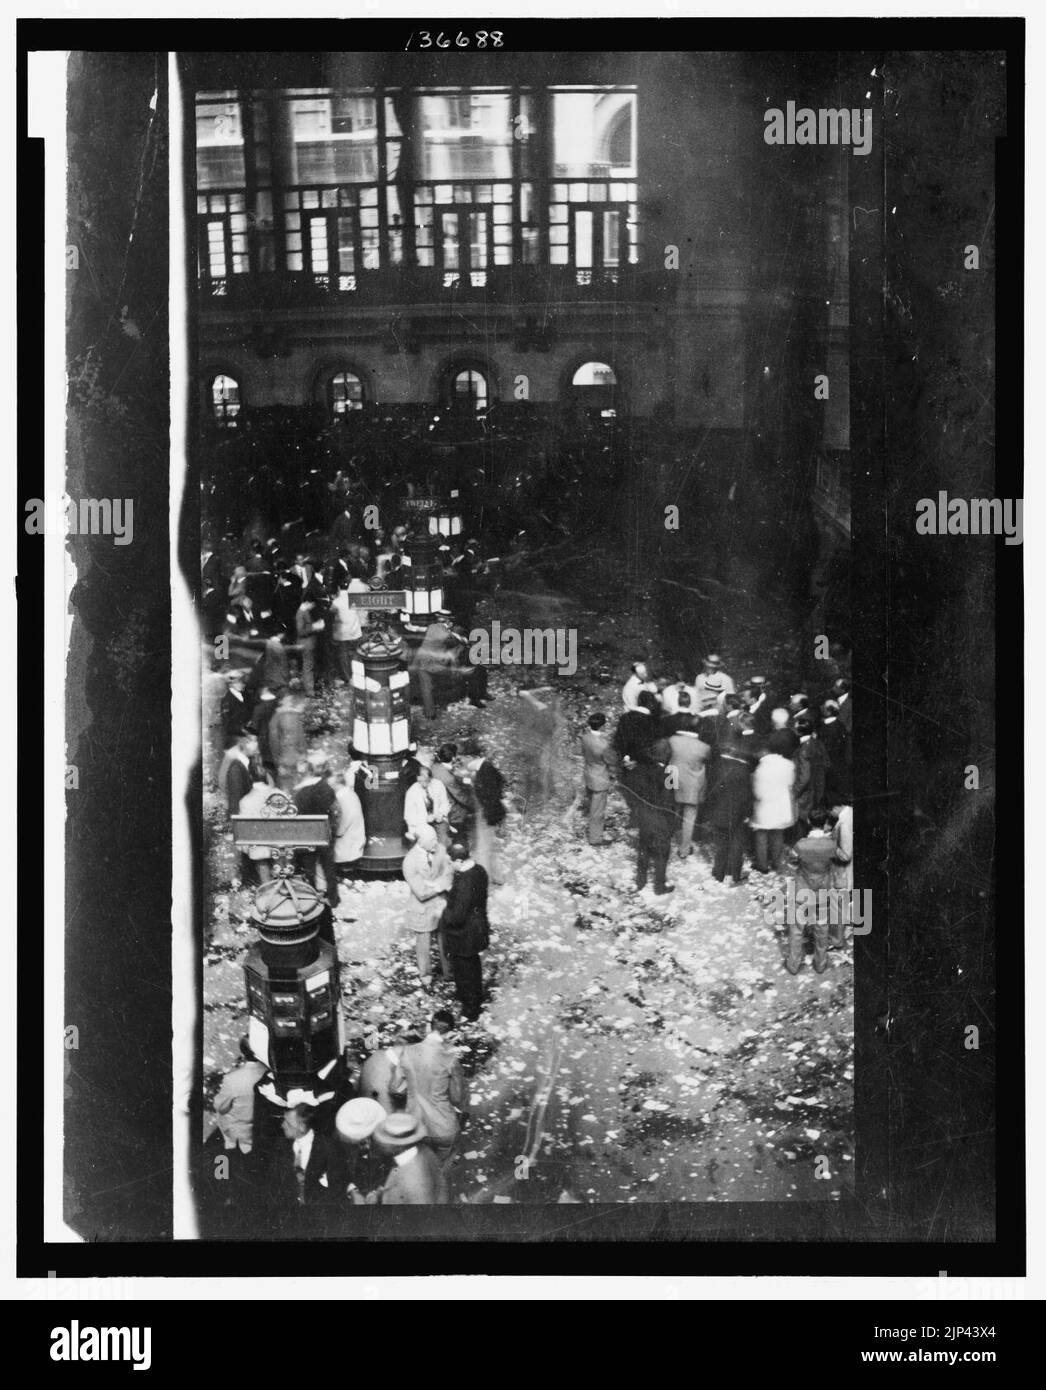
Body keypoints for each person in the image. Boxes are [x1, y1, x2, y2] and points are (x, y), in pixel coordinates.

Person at [391, 1010, 467, 1166]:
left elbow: (395, 1088)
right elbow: (457, 1099)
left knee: (418, 1170)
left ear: (430, 1026)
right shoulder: (451, 1061)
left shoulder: (407, 1052)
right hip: (443, 1129)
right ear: (449, 1034)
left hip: (415, 1126)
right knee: (437, 1171)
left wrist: (414, 1087)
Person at [439, 841, 490, 1022]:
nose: (449, 865)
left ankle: (470, 1010)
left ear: (459, 861)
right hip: (477, 930)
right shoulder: (479, 871)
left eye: (450, 862)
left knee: (465, 970)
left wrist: (443, 912)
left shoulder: (464, 882)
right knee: (473, 966)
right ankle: (470, 997)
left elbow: (457, 916)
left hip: (464, 935)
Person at [353, 1112, 449, 1205]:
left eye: (384, 1139)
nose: (379, 1141)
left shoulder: (413, 1185)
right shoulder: (424, 1150)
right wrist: (381, 1193)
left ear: (398, 1145)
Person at [267, 1103, 349, 1210]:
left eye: (288, 1123)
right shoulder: (280, 1145)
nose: (282, 1125)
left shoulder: (329, 1148)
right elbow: (273, 1186)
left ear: (302, 1127)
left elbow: (336, 1191)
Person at [785, 807, 837, 975]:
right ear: (826, 824)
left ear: (808, 822)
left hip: (802, 889)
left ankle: (793, 965)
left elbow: (792, 859)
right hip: (823, 890)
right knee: (822, 928)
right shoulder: (831, 845)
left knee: (796, 928)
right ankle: (820, 964)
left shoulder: (801, 845)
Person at [402, 824, 453, 983]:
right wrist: (440, 886)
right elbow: (421, 893)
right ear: (420, 842)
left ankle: (449, 973)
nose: (436, 842)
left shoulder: (440, 849)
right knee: (423, 947)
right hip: (422, 909)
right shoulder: (409, 861)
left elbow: (449, 872)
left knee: (446, 942)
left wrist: (440, 883)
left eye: (435, 838)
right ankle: (426, 976)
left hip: (441, 906)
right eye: (432, 840)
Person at [632, 737, 677, 894]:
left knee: (643, 848)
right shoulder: (671, 772)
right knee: (662, 852)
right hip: (661, 818)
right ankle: (659, 885)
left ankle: (640, 881)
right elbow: (670, 798)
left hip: (645, 815)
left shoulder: (642, 768)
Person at [707, 733, 753, 884]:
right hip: (737, 814)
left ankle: (718, 874)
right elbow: (748, 796)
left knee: (721, 845)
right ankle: (734, 875)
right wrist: (748, 814)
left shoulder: (717, 767)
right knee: (736, 844)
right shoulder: (744, 770)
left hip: (718, 813)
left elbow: (711, 791)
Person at [293, 753, 338, 901]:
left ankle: (310, 897)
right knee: (328, 867)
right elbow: (335, 811)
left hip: (307, 836)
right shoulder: (326, 788)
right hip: (325, 833)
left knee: (309, 868)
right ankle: (333, 897)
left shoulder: (299, 793)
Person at [750, 731, 797, 873]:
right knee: (778, 835)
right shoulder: (788, 764)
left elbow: (757, 792)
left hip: (764, 806)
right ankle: (777, 862)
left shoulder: (760, 769)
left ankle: (762, 865)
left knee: (761, 835)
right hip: (782, 806)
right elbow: (790, 783)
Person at [212, 1037, 268, 1157]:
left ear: (243, 1052)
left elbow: (220, 1107)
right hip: (263, 1130)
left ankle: (223, 1167)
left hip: (240, 1135)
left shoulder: (232, 1078)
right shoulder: (269, 1072)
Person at [667, 708, 711, 859]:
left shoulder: (672, 740)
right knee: (689, 816)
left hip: (672, 778)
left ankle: (666, 839)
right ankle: (684, 849)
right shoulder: (704, 748)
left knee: (671, 810)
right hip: (693, 783)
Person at [612, 690, 661, 823]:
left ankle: (633, 820)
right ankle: (643, 822)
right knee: (645, 794)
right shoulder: (651, 721)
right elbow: (649, 746)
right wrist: (637, 760)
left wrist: (626, 758)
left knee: (631, 794)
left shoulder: (625, 717)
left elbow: (618, 741)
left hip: (626, 762)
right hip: (643, 764)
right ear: (650, 704)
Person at [466, 754, 507, 885]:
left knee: (483, 849)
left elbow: (483, 795)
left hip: (486, 814)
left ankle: (485, 882)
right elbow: (501, 782)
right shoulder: (489, 767)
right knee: (491, 846)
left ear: (472, 757)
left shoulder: (483, 773)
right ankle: (498, 877)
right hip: (494, 813)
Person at [412, 611, 457, 721]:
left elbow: (421, 629)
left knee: (426, 687)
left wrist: (412, 627)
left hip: (422, 661)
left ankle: (430, 714)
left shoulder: (432, 627)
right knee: (445, 680)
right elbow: (456, 641)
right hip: (437, 665)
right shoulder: (447, 635)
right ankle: (443, 704)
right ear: (449, 622)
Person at [235, 776, 279, 884]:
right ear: (268, 778)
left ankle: (267, 888)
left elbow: (244, 830)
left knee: (260, 857)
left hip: (259, 848)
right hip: (280, 845)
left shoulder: (245, 801)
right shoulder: (279, 794)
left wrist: (245, 849)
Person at [580, 712, 615, 846]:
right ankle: (595, 838)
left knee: (592, 806)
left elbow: (584, 753)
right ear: (602, 726)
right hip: (600, 777)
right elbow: (611, 761)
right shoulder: (604, 744)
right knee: (598, 810)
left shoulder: (585, 738)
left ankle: (594, 831)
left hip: (589, 773)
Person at [269, 680, 309, 791]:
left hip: (290, 759)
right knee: (289, 788)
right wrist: (278, 762)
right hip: (287, 760)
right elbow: (274, 742)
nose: (291, 701)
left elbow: (301, 739)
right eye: (288, 699)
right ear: (281, 701)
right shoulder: (280, 717)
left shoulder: (290, 715)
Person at [793, 717, 830, 832]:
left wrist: (794, 792)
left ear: (798, 732)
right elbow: (827, 764)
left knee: (802, 824)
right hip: (819, 791)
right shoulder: (818, 743)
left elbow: (804, 777)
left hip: (805, 794)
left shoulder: (802, 749)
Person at [430, 743, 471, 840]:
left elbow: (448, 777)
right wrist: (477, 805)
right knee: (462, 813)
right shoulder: (449, 779)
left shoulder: (435, 767)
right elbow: (461, 797)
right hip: (452, 813)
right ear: (453, 758)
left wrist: (461, 779)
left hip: (436, 805)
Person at [403, 762, 450, 844]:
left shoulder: (438, 784)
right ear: (417, 778)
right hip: (420, 824)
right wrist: (425, 819)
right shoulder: (412, 792)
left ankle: (441, 853)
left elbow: (445, 803)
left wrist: (441, 814)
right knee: (428, 839)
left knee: (443, 839)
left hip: (438, 820)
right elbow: (409, 817)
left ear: (431, 778)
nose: (424, 784)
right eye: (421, 781)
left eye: (427, 781)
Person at [332, 770, 366, 879]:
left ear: (337, 784)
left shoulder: (342, 797)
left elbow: (344, 821)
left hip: (348, 840)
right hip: (354, 835)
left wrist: (334, 833)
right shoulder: (349, 793)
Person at [294, 596, 326, 696]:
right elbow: (300, 631)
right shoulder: (301, 613)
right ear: (307, 602)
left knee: (310, 665)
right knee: (308, 666)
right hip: (305, 643)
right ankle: (309, 691)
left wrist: (315, 626)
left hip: (309, 642)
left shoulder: (304, 611)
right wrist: (314, 627)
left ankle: (311, 687)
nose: (312, 607)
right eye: (312, 604)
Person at [223, 732, 259, 817]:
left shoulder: (245, 766)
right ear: (244, 743)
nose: (257, 745)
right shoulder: (236, 768)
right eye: (254, 741)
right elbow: (235, 803)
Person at [219, 669, 252, 748]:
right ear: (231, 684)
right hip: (235, 738)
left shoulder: (245, 695)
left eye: (243, 682)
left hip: (246, 734)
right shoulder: (227, 701)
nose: (243, 684)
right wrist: (242, 730)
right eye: (240, 682)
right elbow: (227, 723)